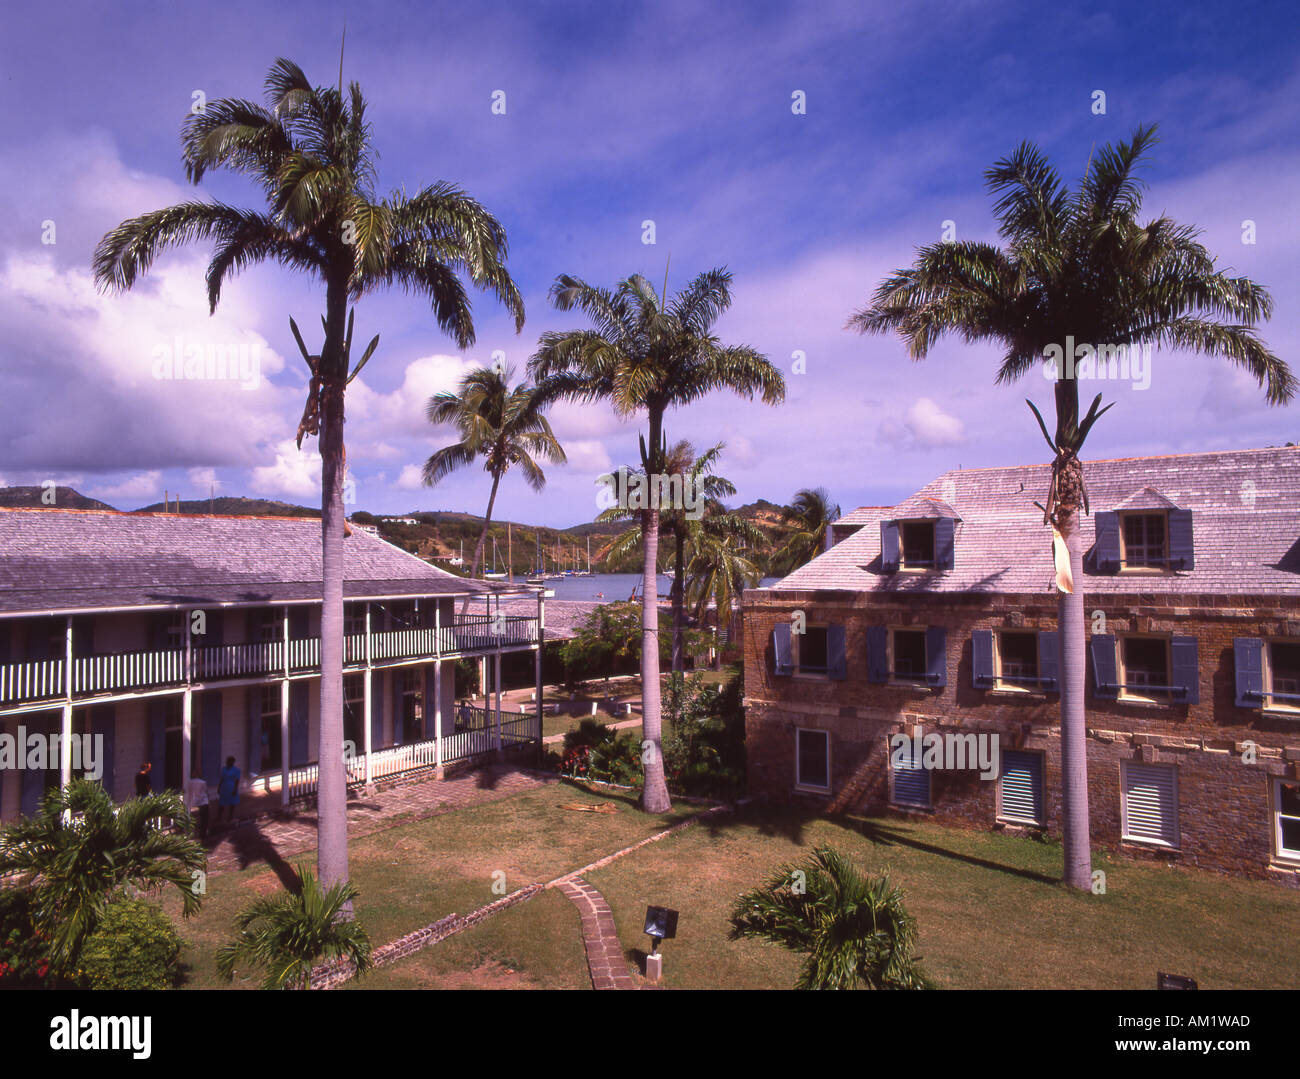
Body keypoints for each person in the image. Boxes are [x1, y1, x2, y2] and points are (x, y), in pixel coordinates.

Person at [216, 756, 241, 825]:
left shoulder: (236, 770)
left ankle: (230, 816)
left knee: (232, 802)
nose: (228, 763)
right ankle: (219, 817)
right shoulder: (223, 769)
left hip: (231, 786)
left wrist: (235, 789)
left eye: (229, 761)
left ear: (233, 762)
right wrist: (219, 787)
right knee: (222, 802)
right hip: (224, 787)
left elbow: (237, 780)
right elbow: (221, 779)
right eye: (227, 761)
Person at [186, 772, 210, 840]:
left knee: (196, 819)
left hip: (194, 802)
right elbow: (206, 792)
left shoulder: (190, 782)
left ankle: (194, 834)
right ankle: (202, 834)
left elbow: (189, 793)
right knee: (204, 819)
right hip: (203, 802)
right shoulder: (203, 782)